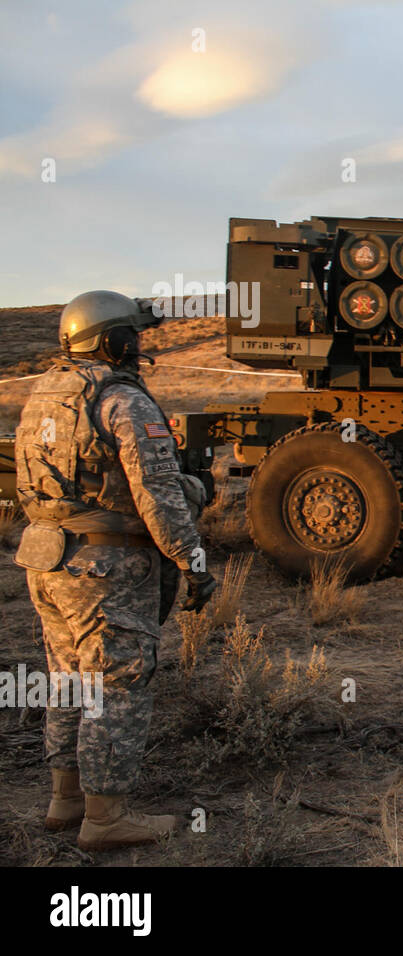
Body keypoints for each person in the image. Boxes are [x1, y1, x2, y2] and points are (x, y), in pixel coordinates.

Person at [14, 290, 217, 851]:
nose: (140, 346)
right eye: (134, 335)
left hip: (46, 558)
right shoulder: (123, 400)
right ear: (115, 340)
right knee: (117, 683)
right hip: (105, 567)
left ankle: (66, 801)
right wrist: (193, 562)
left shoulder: (43, 395)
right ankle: (105, 820)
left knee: (69, 680)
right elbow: (157, 498)